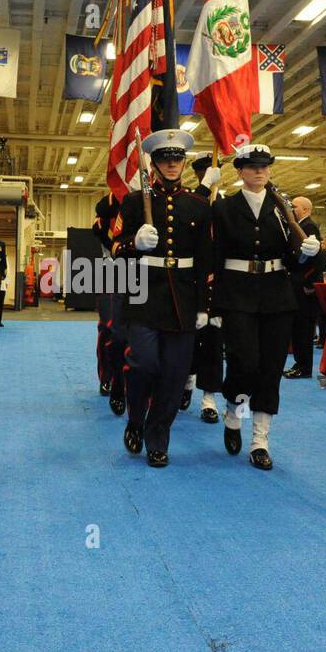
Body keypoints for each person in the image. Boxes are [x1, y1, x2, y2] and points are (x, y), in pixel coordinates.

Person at [211, 144, 321, 469]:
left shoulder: (280, 207)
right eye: (252, 166)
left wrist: (305, 252)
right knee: (245, 362)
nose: (259, 171)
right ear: (240, 171)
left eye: (264, 166)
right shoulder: (225, 207)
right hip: (237, 293)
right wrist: (212, 301)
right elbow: (215, 255)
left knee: (271, 368)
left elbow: (291, 255)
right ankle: (235, 412)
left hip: (276, 295)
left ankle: (260, 439)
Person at [111, 129, 214, 467]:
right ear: (153, 163)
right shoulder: (134, 201)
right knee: (143, 364)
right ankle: (136, 419)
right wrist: (133, 243)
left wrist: (202, 306)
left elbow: (205, 260)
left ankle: (158, 437)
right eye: (165, 159)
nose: (172, 164)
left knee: (174, 374)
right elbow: (115, 248)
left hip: (183, 300)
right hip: (143, 296)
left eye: (177, 159)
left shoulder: (198, 205)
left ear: (184, 163)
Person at [186, 154, 225, 421]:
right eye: (202, 173)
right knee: (187, 342)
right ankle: (186, 384)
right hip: (190, 284)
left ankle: (209, 399)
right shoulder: (190, 202)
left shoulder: (228, 206)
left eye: (210, 174)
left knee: (213, 344)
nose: (206, 178)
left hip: (219, 285)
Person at [283, 196, 326, 379]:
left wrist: (310, 284)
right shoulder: (297, 225)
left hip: (304, 286)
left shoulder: (309, 227)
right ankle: (299, 364)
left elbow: (316, 260)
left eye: (294, 206)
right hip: (296, 284)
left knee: (304, 328)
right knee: (297, 326)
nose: (291, 209)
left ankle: (304, 367)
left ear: (304, 209)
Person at [92, 192, 126, 411]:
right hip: (111, 269)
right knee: (108, 327)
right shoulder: (110, 202)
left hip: (142, 272)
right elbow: (97, 225)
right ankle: (107, 376)